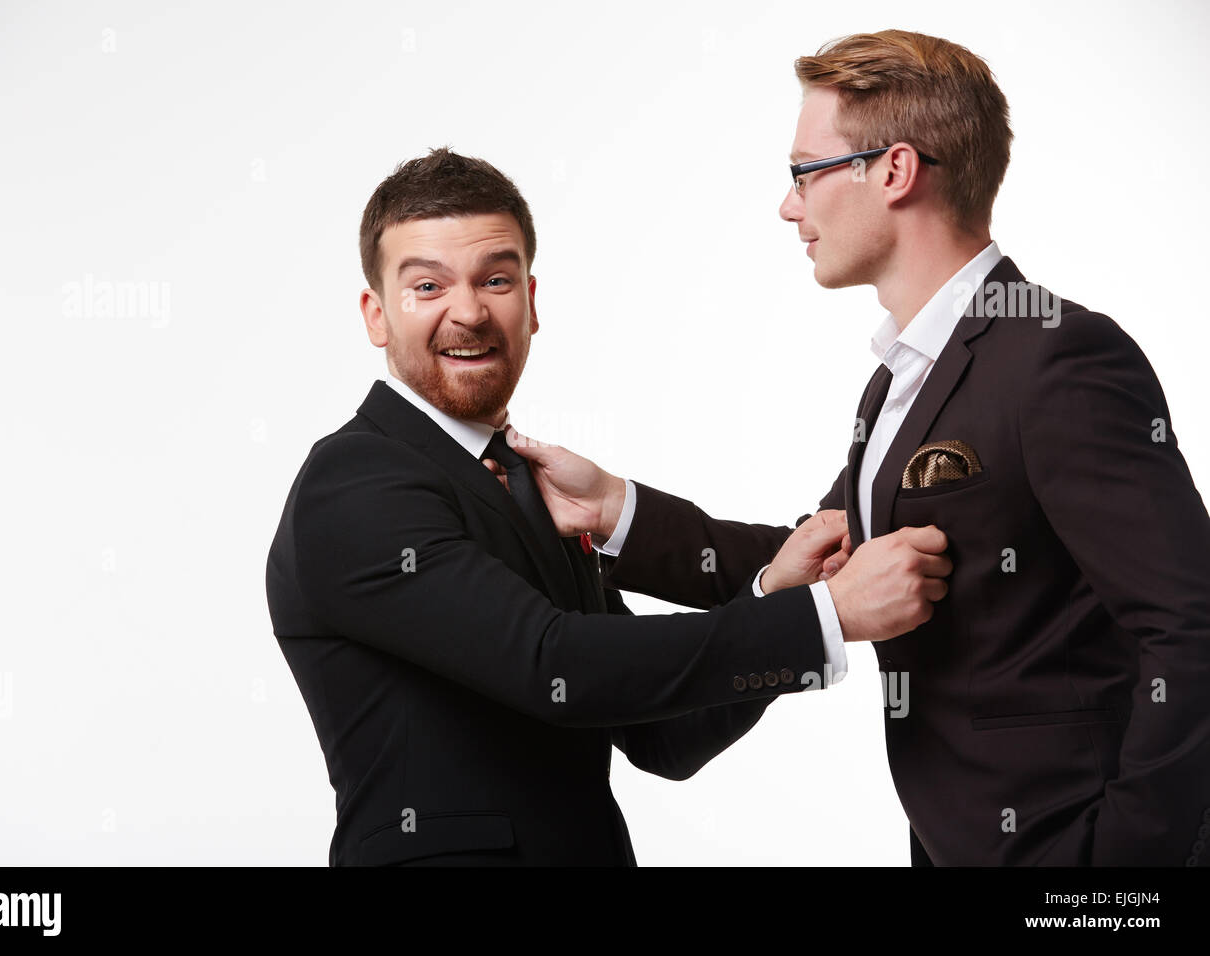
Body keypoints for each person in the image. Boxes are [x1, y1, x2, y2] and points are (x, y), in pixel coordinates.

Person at [510, 31, 1210, 866]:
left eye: (804, 172)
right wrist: (616, 508)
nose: (788, 205)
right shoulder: (900, 379)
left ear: (894, 170)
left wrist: (1123, 870)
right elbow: (819, 562)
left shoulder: (1056, 355)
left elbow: (1192, 626)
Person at [265, 147, 950, 866]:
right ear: (377, 315)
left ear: (531, 303)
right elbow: (555, 664)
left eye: (494, 279)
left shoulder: (522, 482)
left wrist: (776, 590)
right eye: (428, 286)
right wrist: (827, 616)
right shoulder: (354, 482)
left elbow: (663, 736)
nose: (467, 311)